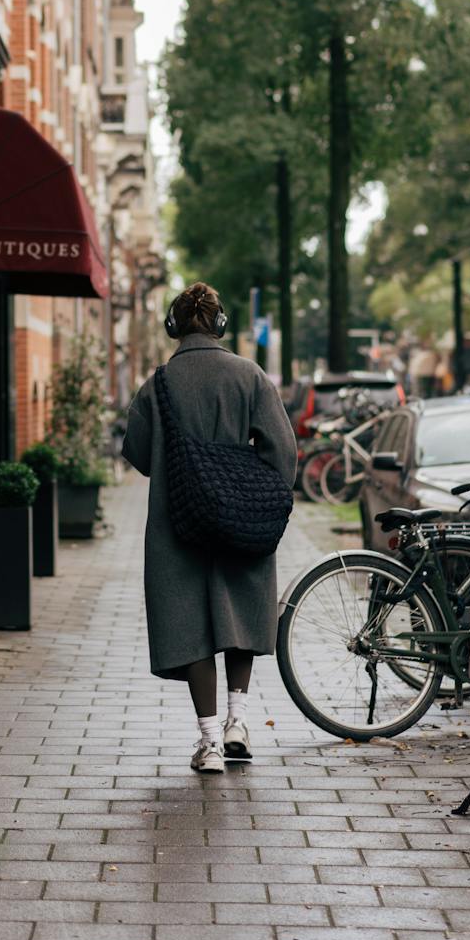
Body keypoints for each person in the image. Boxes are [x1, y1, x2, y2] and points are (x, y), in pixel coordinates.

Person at [121, 282, 298, 773]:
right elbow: (283, 451)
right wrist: (259, 495)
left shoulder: (157, 384)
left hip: (178, 524)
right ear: (221, 325)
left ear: (173, 326)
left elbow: (137, 455)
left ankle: (208, 743)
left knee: (191, 625)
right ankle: (238, 723)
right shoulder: (250, 375)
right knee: (239, 616)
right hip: (242, 520)